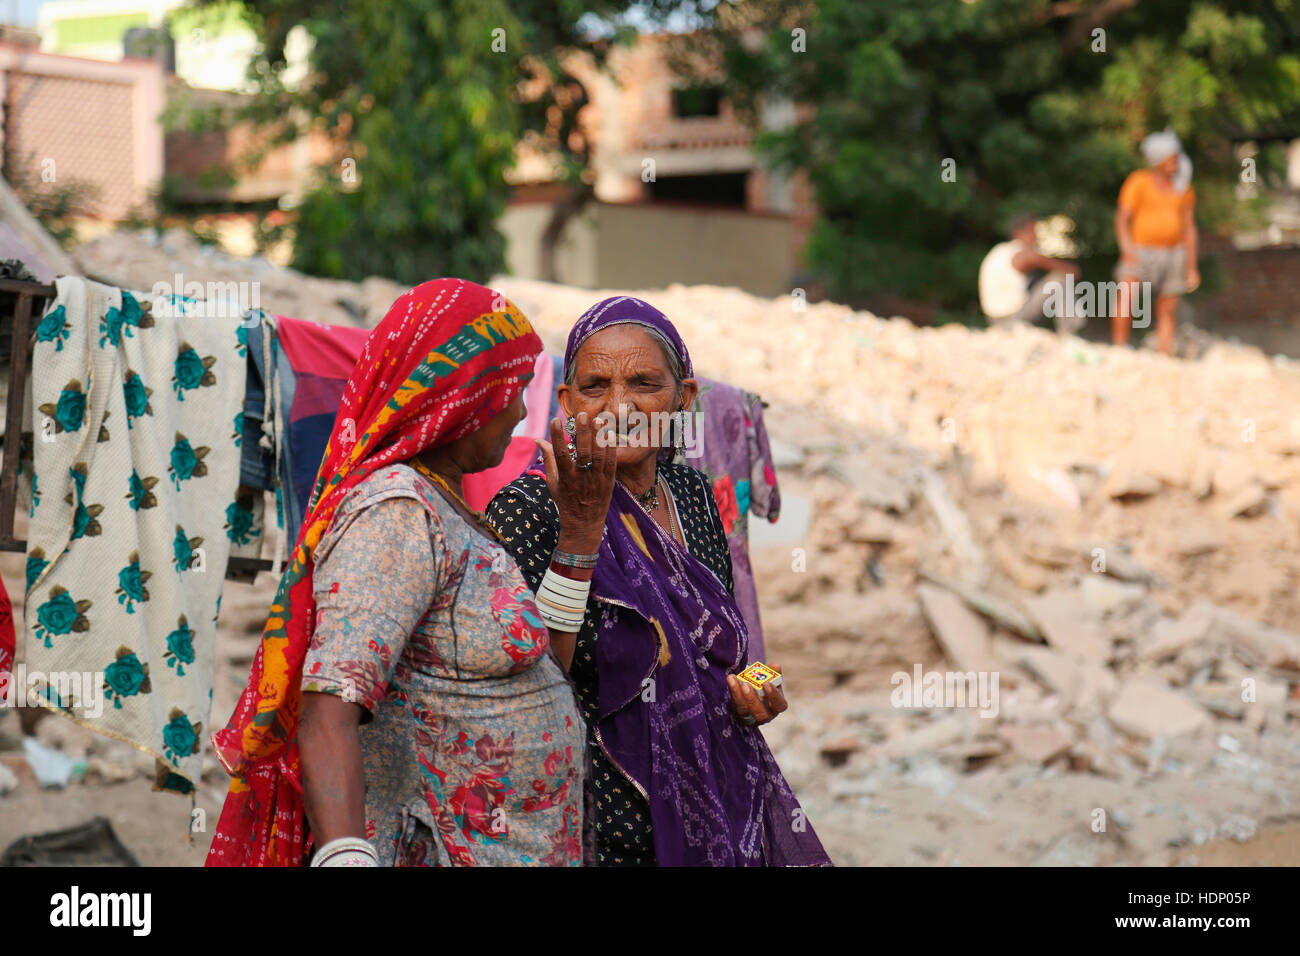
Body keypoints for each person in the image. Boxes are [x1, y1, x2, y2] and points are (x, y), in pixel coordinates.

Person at [207, 278, 586, 867]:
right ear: (465, 394)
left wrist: (581, 536)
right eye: (511, 390)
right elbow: (328, 711)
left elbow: (535, 671)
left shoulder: (447, 504)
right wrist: (347, 859)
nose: (519, 411)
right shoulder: (397, 514)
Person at [485, 295, 832, 867]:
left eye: (644, 384)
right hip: (599, 826)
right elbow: (525, 677)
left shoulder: (692, 495)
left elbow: (726, 639)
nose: (619, 405)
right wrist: (579, 530)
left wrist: (758, 689)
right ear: (567, 403)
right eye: (595, 387)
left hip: (717, 803)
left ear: (683, 399)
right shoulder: (533, 507)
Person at [1114, 129, 1200, 355]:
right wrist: (1127, 249)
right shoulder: (1139, 182)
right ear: (1158, 161)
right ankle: (1120, 349)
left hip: (1174, 253)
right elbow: (1122, 219)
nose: (1175, 162)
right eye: (1170, 158)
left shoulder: (1183, 188)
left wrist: (1191, 267)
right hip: (1141, 251)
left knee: (1168, 307)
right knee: (1127, 295)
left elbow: (1189, 228)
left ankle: (1163, 354)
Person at [978, 213, 1083, 335]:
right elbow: (1073, 271)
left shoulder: (1001, 251)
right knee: (1059, 280)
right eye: (1034, 231)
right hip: (1011, 318)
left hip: (993, 319)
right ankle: (1070, 332)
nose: (1036, 237)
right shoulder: (1025, 255)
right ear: (1020, 232)